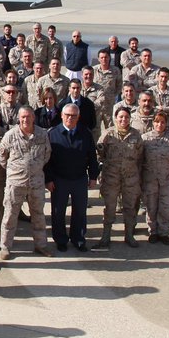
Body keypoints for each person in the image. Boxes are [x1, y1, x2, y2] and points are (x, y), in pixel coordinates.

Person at [0, 106, 53, 260]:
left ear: (33, 117)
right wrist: (15, 170)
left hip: (36, 182)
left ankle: (41, 245)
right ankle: (5, 247)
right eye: (22, 117)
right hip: (16, 182)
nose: (25, 120)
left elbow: (47, 154)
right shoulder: (10, 135)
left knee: (38, 215)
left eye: (28, 116)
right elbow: (1, 156)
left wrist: (35, 167)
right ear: (18, 118)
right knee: (9, 215)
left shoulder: (42, 134)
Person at [46, 103, 100, 252]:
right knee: (58, 211)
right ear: (62, 116)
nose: (70, 118)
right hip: (59, 179)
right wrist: (48, 179)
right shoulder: (52, 134)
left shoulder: (85, 133)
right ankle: (61, 239)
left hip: (79, 178)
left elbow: (92, 157)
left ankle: (79, 239)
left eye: (74, 116)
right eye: (67, 115)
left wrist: (93, 176)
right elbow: (47, 160)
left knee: (80, 211)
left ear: (78, 117)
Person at [95, 108, 143, 249]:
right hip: (111, 178)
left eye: (126, 117)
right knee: (110, 208)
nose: (123, 120)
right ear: (116, 118)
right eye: (121, 117)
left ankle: (129, 235)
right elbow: (99, 154)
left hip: (130, 178)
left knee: (129, 208)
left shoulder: (136, 135)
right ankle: (106, 236)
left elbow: (140, 156)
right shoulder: (108, 134)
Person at [141, 111, 169, 245]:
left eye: (162, 122)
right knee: (151, 206)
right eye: (157, 122)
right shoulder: (145, 139)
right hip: (150, 179)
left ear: (166, 124)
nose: (159, 124)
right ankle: (153, 231)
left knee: (166, 207)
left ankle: (164, 232)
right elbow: (139, 160)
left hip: (167, 179)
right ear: (153, 123)